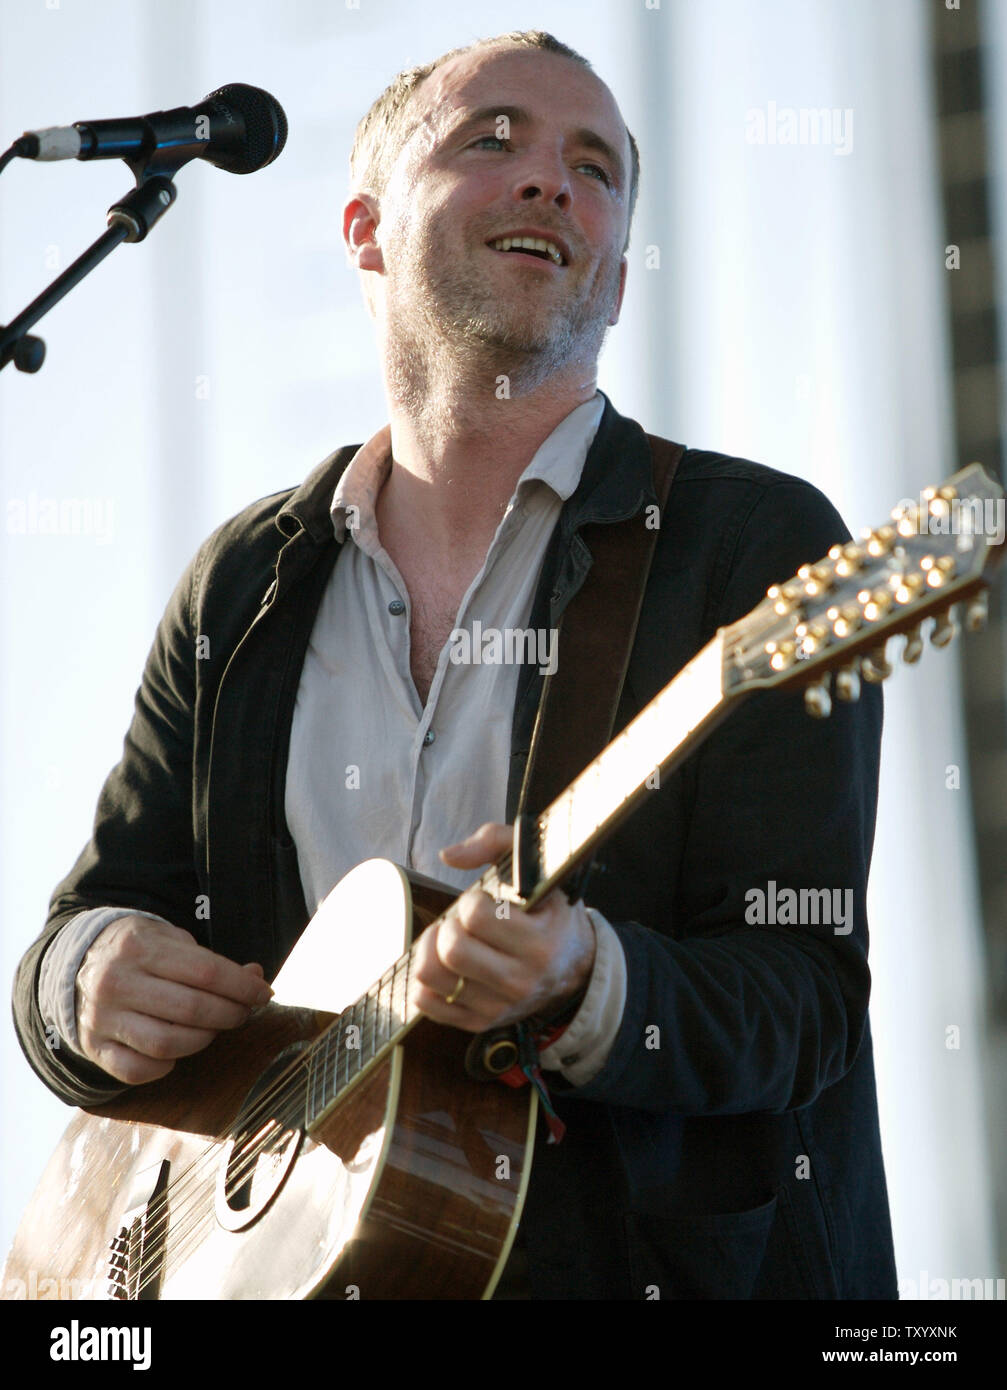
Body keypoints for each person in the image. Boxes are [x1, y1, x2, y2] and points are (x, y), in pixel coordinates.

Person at [12, 30, 897, 1299]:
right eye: (492, 139)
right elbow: (88, 922)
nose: (550, 180)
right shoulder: (243, 583)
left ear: (615, 278)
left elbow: (802, 1000)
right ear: (365, 231)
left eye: (593, 168)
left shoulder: (746, 545)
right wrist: (82, 981)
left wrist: (588, 978)